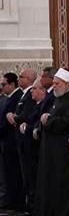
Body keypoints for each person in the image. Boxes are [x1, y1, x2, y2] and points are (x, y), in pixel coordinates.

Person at [33, 68, 69, 216]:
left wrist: (48, 120)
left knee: (61, 182)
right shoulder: (57, 98)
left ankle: (62, 215)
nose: (53, 86)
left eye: (57, 83)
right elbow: (46, 116)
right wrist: (39, 127)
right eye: (53, 83)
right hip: (50, 149)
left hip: (62, 151)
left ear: (67, 84)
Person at [11, 69, 38, 209]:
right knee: (25, 174)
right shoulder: (24, 94)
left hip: (28, 142)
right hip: (20, 141)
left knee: (30, 173)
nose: (19, 79)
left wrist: (14, 117)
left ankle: (32, 204)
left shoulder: (29, 95)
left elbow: (27, 115)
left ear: (29, 79)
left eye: (21, 77)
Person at [0, 73, 23, 209]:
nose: (2, 87)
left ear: (12, 84)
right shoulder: (8, 98)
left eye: (4, 84)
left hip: (11, 141)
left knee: (14, 173)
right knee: (7, 174)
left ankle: (15, 202)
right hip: (5, 142)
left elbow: (8, 123)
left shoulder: (17, 96)